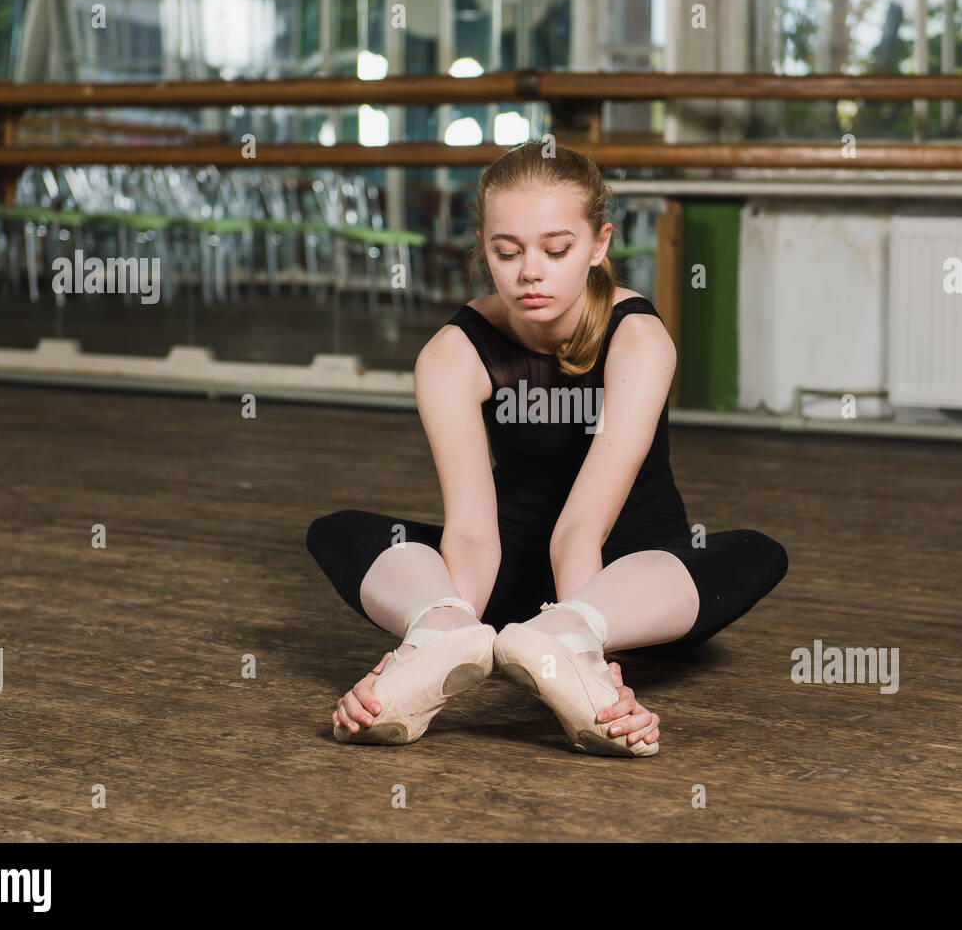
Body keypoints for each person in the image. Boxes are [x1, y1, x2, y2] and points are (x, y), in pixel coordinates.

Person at [306, 141, 788, 757]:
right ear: (484, 248)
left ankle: (560, 635)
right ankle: (443, 629)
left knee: (753, 553)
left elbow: (582, 528)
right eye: (507, 252)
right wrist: (448, 636)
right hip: (506, 582)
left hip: (629, 586)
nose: (530, 272)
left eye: (556, 250)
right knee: (340, 531)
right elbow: (474, 531)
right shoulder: (453, 354)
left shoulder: (637, 338)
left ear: (599, 244)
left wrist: (588, 652)